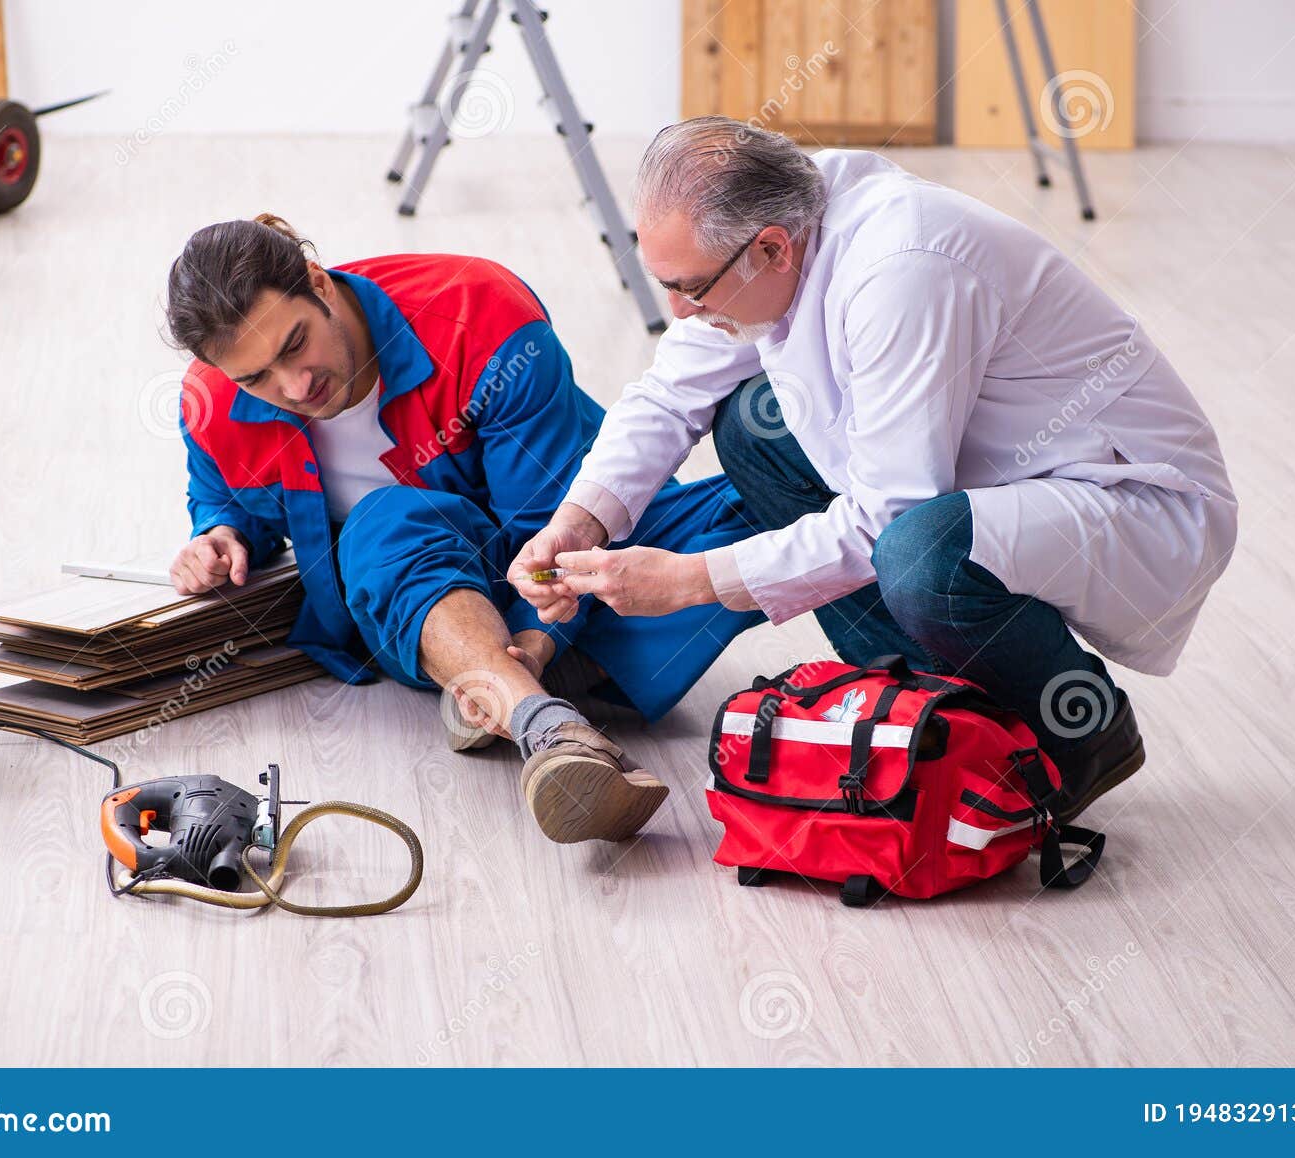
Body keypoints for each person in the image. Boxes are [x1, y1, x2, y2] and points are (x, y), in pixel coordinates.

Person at [512, 118, 1238, 820]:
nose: (680, 310)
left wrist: (693, 582)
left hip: (1129, 494)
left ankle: (1079, 731)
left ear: (771, 250)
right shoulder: (783, 225)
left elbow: (889, 514)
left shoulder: (903, 267)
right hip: (996, 474)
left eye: (691, 288)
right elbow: (669, 394)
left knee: (919, 556)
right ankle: (939, 717)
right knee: (753, 428)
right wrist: (578, 522)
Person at [164, 214, 762, 844]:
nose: (292, 386)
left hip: (572, 554)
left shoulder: (479, 313)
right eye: (255, 378)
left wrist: (537, 636)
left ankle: (491, 680)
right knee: (385, 516)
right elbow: (222, 496)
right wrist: (221, 534)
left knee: (766, 499)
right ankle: (549, 727)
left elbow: (552, 527)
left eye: (294, 345)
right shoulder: (211, 401)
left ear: (318, 282)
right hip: (416, 587)